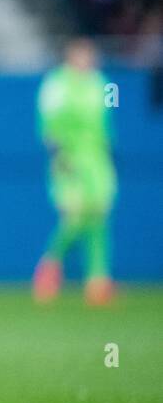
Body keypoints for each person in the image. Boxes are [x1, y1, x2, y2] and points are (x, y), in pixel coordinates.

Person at [32, 38, 117, 306]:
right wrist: (58, 153)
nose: (87, 61)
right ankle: (50, 264)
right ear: (70, 57)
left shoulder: (101, 84)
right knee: (75, 216)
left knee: (99, 217)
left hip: (97, 160)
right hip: (69, 158)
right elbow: (47, 123)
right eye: (82, 55)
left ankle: (97, 281)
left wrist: (109, 151)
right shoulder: (55, 84)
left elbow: (106, 122)